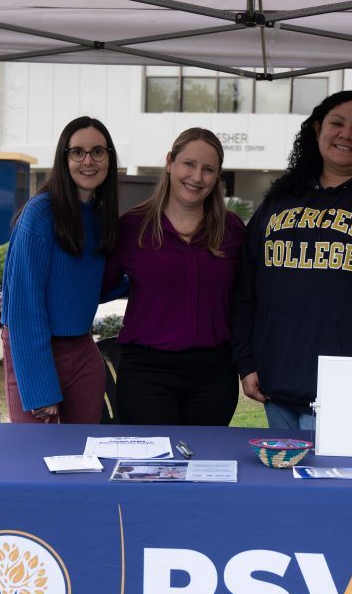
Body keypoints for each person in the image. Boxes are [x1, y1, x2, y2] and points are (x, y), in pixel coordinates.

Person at [231, 90, 352, 430]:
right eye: (337, 123)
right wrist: (246, 361)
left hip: (349, 392)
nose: (346, 134)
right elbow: (246, 288)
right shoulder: (281, 197)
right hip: (275, 386)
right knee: (284, 467)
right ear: (317, 129)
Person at [102, 128, 245, 426]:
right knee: (153, 456)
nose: (197, 177)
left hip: (214, 375)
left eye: (208, 169)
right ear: (170, 162)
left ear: (217, 177)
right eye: (188, 164)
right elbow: (95, 286)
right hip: (146, 373)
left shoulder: (232, 230)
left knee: (204, 456)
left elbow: (247, 299)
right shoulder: (133, 227)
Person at [0, 116, 120, 424]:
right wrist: (40, 389)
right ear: (64, 159)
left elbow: (90, 286)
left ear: (109, 158)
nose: (88, 161)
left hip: (82, 351)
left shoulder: (100, 216)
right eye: (77, 152)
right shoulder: (40, 214)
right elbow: (25, 309)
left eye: (98, 151)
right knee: (36, 452)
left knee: (86, 449)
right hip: (35, 352)